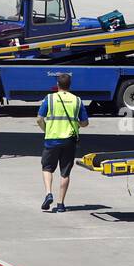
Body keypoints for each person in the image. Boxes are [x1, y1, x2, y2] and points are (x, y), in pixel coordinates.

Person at [36, 72, 88, 213]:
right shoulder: (77, 100)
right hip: (69, 141)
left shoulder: (50, 98)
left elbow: (39, 119)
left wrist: (46, 129)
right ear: (69, 86)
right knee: (65, 173)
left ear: (57, 85)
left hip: (52, 139)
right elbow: (85, 123)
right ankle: (60, 204)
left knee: (47, 168)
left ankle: (48, 193)